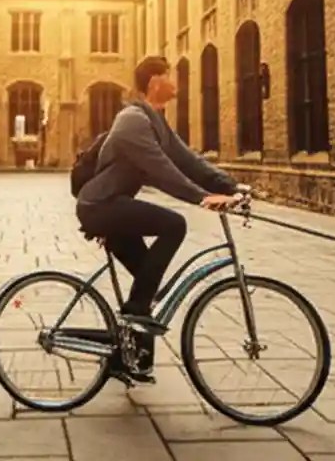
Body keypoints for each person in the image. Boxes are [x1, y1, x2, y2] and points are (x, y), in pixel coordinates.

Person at [76, 56, 241, 383]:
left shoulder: (156, 121)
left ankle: (128, 357)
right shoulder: (133, 120)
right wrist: (202, 197)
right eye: (169, 76)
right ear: (154, 82)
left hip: (113, 205)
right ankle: (135, 318)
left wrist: (230, 186)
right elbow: (161, 170)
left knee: (148, 282)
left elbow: (187, 160)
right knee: (174, 225)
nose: (175, 83)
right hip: (100, 205)